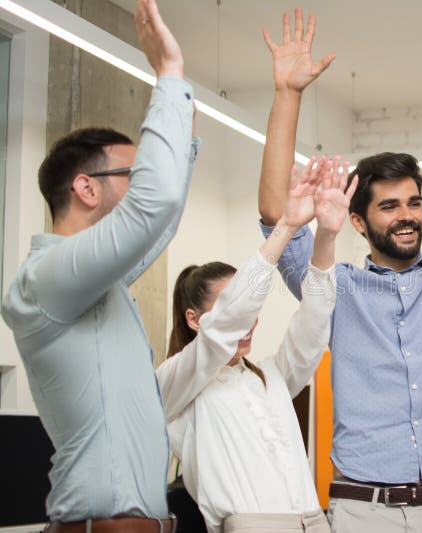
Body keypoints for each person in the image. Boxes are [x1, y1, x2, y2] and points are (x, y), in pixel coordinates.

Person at [258, 8, 422, 533]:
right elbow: (274, 215)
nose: (406, 215)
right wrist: (288, 93)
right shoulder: (333, 287)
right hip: (361, 510)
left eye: (412, 202)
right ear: (358, 220)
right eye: (388, 206)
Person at [0, 0, 196, 530]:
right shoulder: (46, 281)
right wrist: (169, 76)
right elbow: (152, 207)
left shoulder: (92, 284)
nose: (141, 185)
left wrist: (181, 134)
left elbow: (158, 222)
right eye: (131, 172)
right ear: (85, 187)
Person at [157, 157, 355, 533]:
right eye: (230, 308)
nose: (248, 322)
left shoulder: (270, 376)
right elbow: (229, 322)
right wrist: (286, 227)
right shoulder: (174, 382)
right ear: (194, 320)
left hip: (313, 523)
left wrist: (326, 236)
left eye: (252, 309)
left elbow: (315, 323)